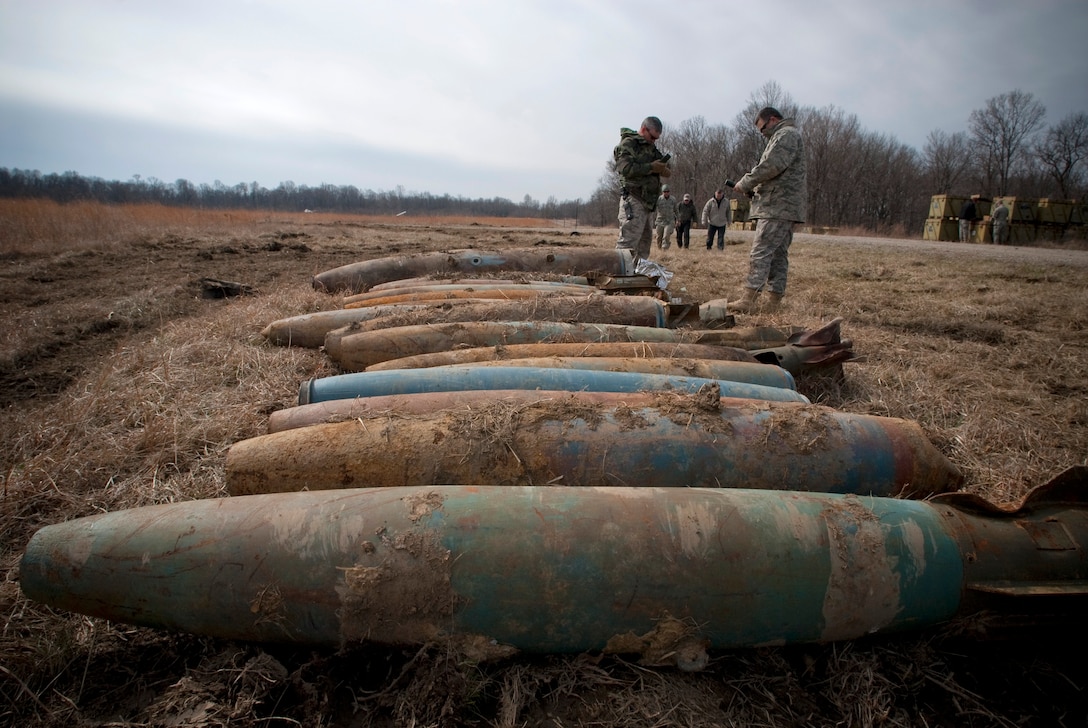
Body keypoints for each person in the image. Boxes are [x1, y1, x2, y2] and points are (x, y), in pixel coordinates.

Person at [727, 107, 807, 314]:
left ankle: (749, 298)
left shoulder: (786, 135)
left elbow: (772, 165)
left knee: (761, 251)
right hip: (782, 205)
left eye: (763, 128)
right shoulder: (787, 135)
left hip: (778, 206)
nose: (762, 133)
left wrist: (746, 182)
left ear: (772, 119)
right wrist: (756, 189)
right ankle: (773, 300)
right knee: (778, 254)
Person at [614, 116, 670, 261]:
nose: (653, 141)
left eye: (656, 139)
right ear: (644, 129)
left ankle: (637, 277)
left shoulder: (650, 148)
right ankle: (619, 277)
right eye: (652, 137)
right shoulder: (629, 144)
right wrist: (651, 168)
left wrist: (663, 168)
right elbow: (625, 169)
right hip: (633, 199)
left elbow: (665, 164)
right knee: (627, 245)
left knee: (644, 246)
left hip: (647, 203)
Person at [654, 184, 679, 249]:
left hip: (669, 221)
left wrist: (678, 220)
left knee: (666, 235)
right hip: (660, 220)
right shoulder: (659, 199)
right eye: (665, 192)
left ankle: (665, 249)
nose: (666, 193)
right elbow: (653, 208)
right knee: (659, 237)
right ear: (662, 192)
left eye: (667, 192)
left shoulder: (673, 199)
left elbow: (676, 210)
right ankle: (659, 250)